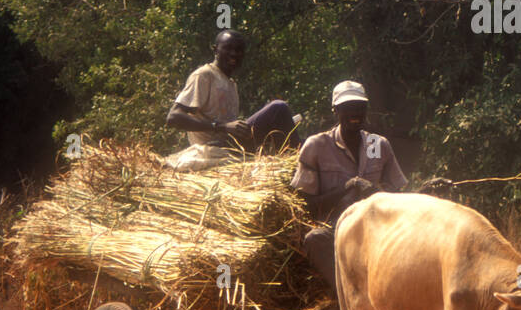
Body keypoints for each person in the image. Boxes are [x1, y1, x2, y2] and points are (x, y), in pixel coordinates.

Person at [292, 80, 408, 289]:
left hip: (377, 230)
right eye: (347, 108)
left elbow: (398, 193)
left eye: (359, 108)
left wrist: (379, 193)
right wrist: (348, 186)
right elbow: (305, 204)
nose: (354, 114)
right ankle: (347, 296)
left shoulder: (377, 144)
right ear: (336, 110)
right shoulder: (317, 146)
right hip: (337, 231)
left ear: (366, 110)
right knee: (314, 239)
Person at [163, 30, 300, 171]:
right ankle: (299, 165)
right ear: (215, 50)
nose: (234, 54)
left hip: (233, 144)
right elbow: (173, 117)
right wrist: (221, 126)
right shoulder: (204, 75)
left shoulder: (231, 84)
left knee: (285, 124)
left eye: (239, 50)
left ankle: (293, 164)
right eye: (228, 48)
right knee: (278, 108)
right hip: (213, 148)